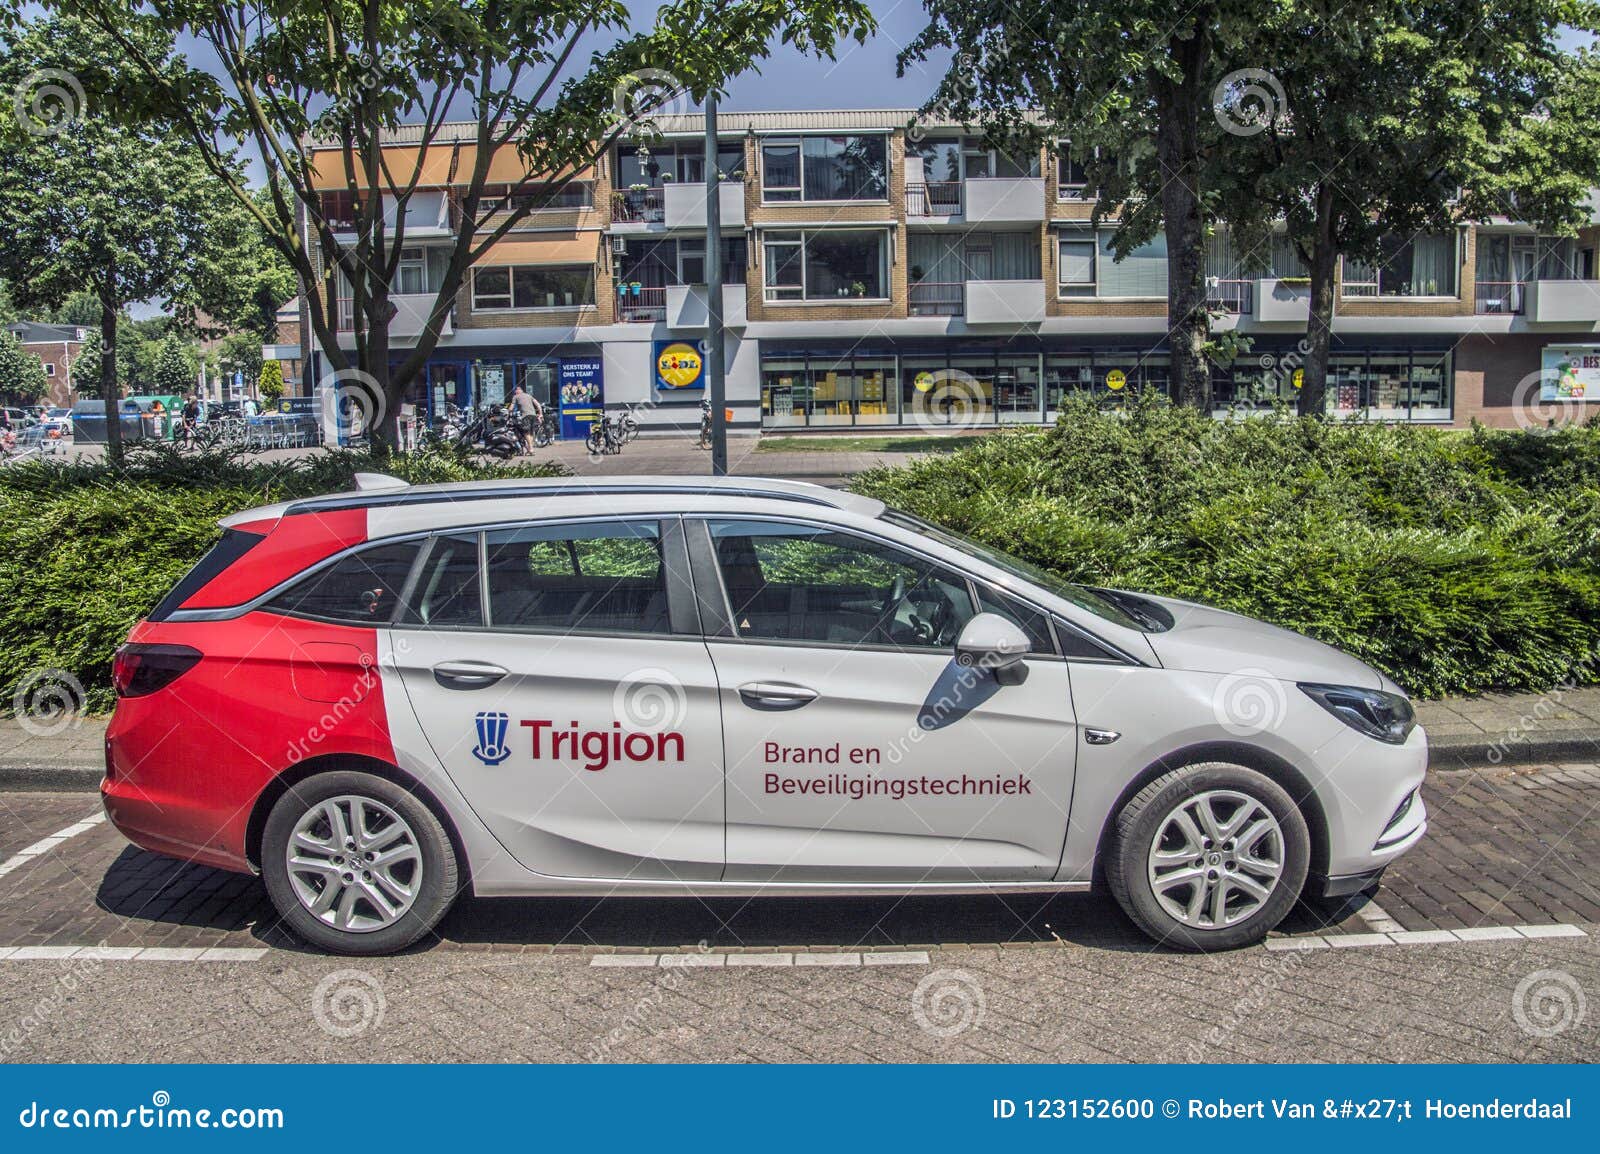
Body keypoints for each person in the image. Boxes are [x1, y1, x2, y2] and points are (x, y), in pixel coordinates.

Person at [510, 384, 542, 453]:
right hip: (533, 415)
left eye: (516, 390)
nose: (516, 391)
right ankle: (531, 449)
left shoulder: (515, 396)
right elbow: (538, 404)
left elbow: (511, 408)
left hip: (525, 416)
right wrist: (540, 414)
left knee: (526, 433)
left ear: (517, 390)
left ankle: (530, 449)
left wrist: (507, 412)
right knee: (531, 432)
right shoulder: (529, 396)